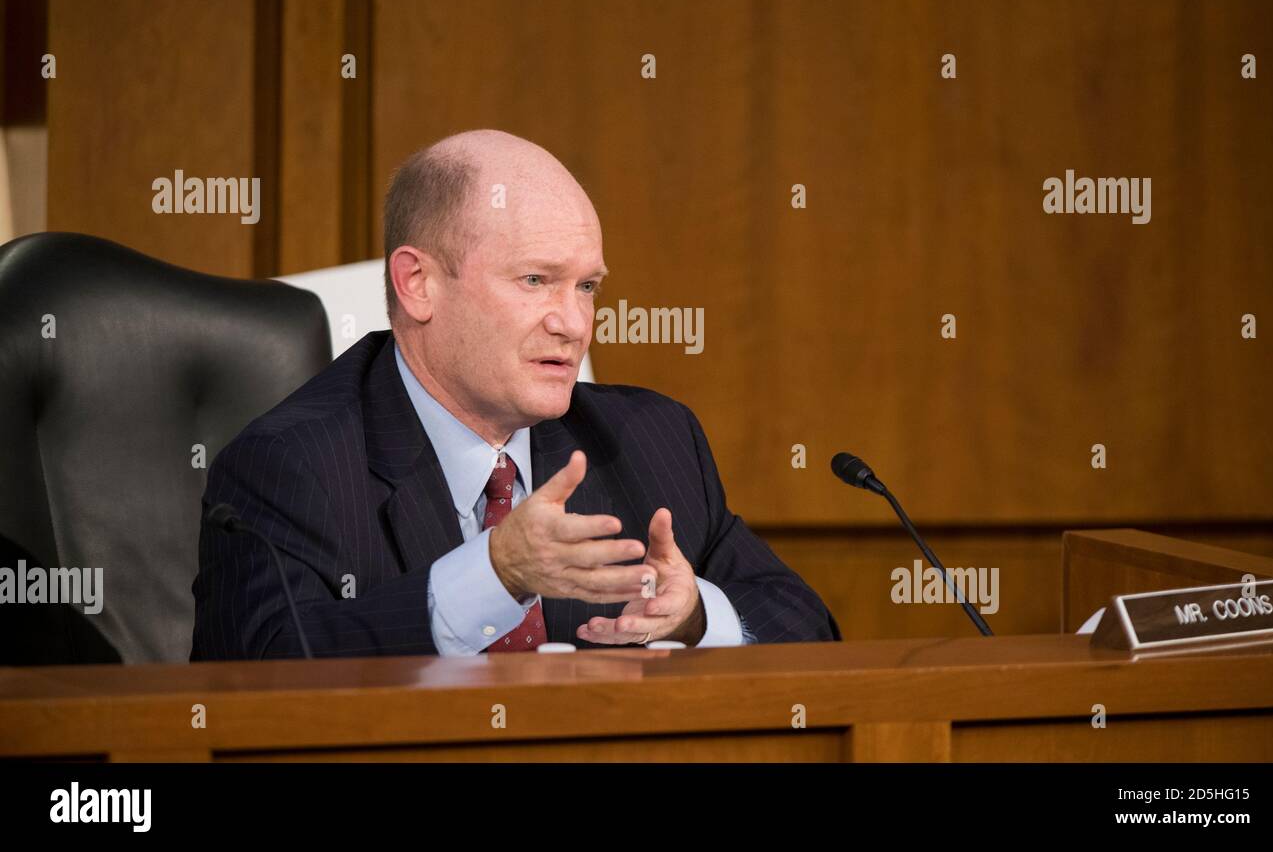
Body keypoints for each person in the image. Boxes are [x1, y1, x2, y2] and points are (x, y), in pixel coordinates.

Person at [191, 130, 839, 659]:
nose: (575, 322)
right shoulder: (291, 463)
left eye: (587, 287)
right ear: (418, 284)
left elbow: (809, 629)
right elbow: (260, 672)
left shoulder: (649, 438)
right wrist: (492, 575)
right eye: (536, 280)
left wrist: (695, 614)